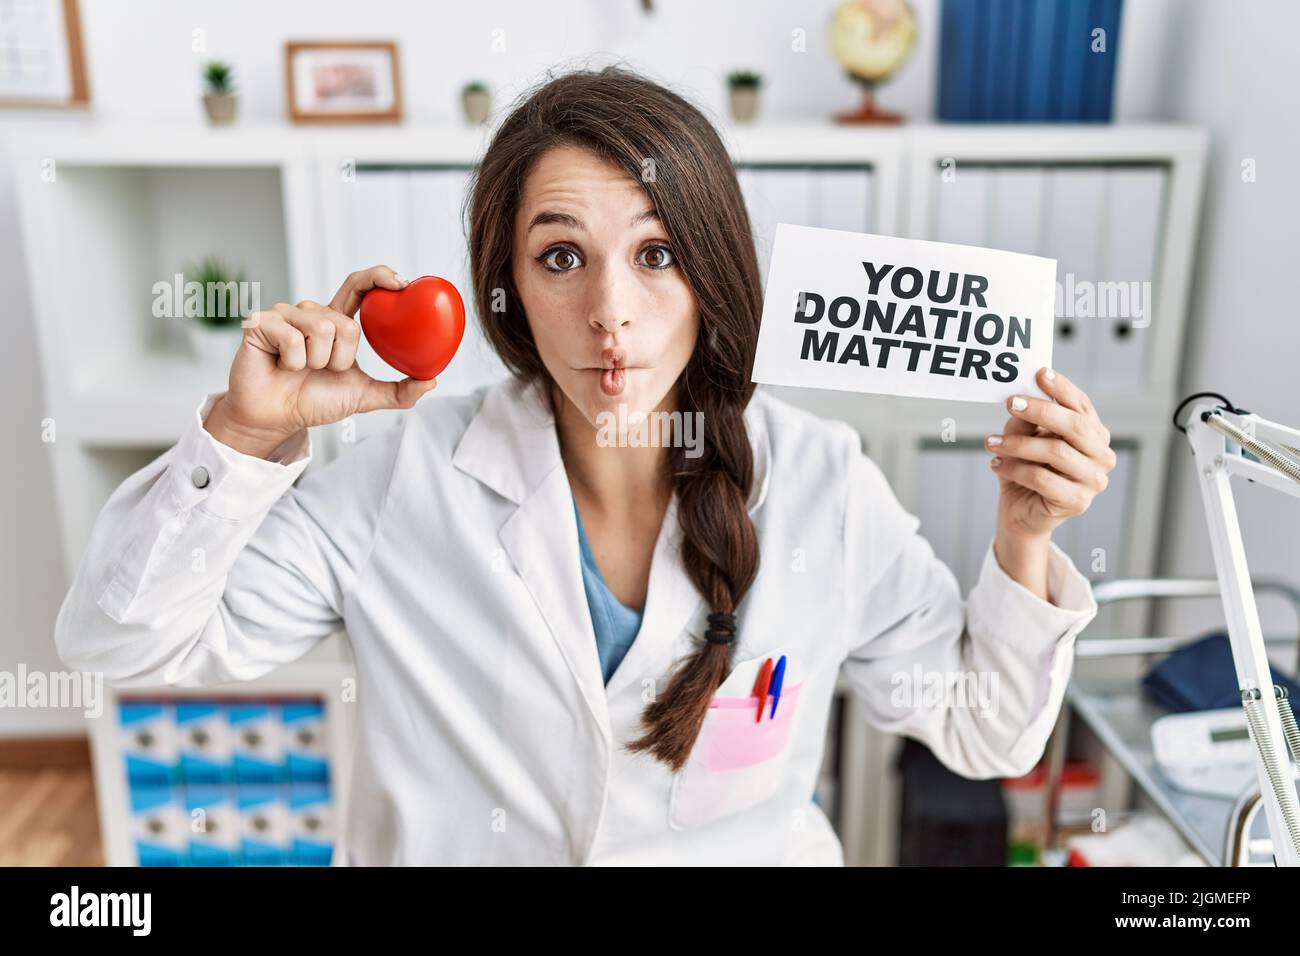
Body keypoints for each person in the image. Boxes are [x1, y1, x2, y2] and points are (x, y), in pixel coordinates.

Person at [55, 66, 1113, 865]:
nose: (611, 310)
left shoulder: (821, 480)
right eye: (560, 256)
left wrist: (1024, 533)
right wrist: (243, 441)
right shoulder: (403, 479)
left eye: (655, 253)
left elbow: (983, 729)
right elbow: (119, 643)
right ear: (504, 282)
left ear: (712, 269)